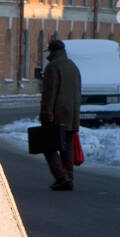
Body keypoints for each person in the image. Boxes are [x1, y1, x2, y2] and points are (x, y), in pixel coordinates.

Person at [40, 37, 81, 191]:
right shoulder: (73, 66)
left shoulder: (53, 67)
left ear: (52, 51)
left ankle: (61, 177)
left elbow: (49, 95)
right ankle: (69, 178)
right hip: (72, 116)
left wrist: (46, 115)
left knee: (48, 146)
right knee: (67, 147)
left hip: (57, 115)